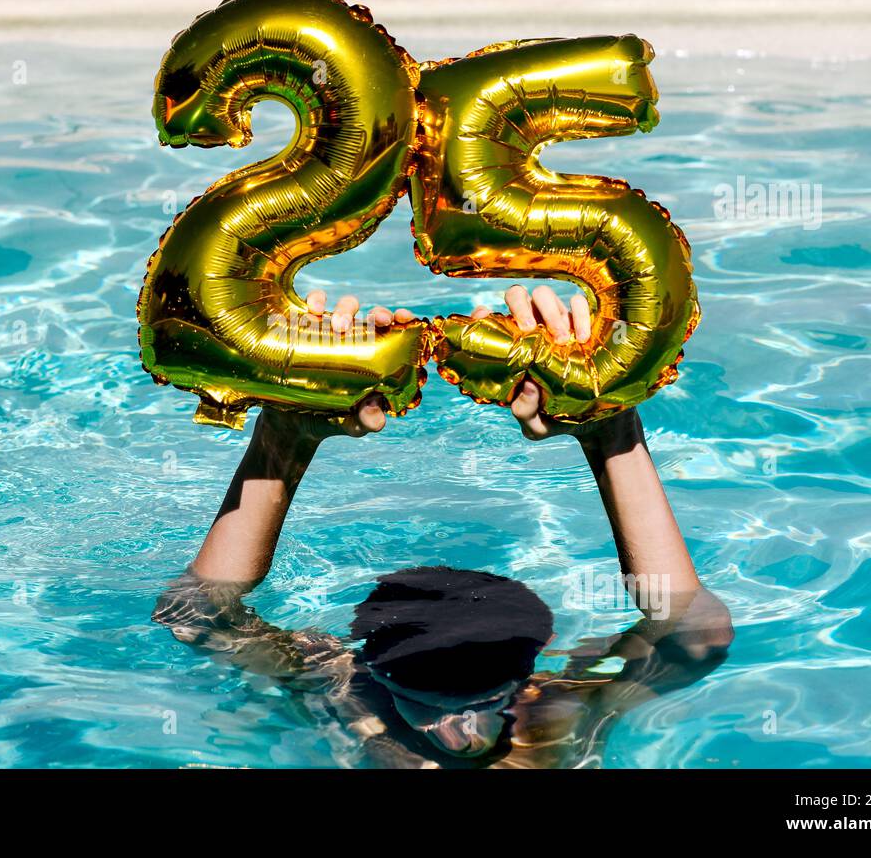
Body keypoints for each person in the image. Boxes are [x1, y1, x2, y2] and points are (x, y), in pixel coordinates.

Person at [153, 284, 733, 768]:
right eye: (425, 703)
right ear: (369, 668)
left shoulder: (552, 712)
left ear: (532, 671)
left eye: (488, 699)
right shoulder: (345, 694)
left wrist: (610, 428)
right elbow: (192, 613)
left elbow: (696, 631)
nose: (463, 733)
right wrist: (283, 436)